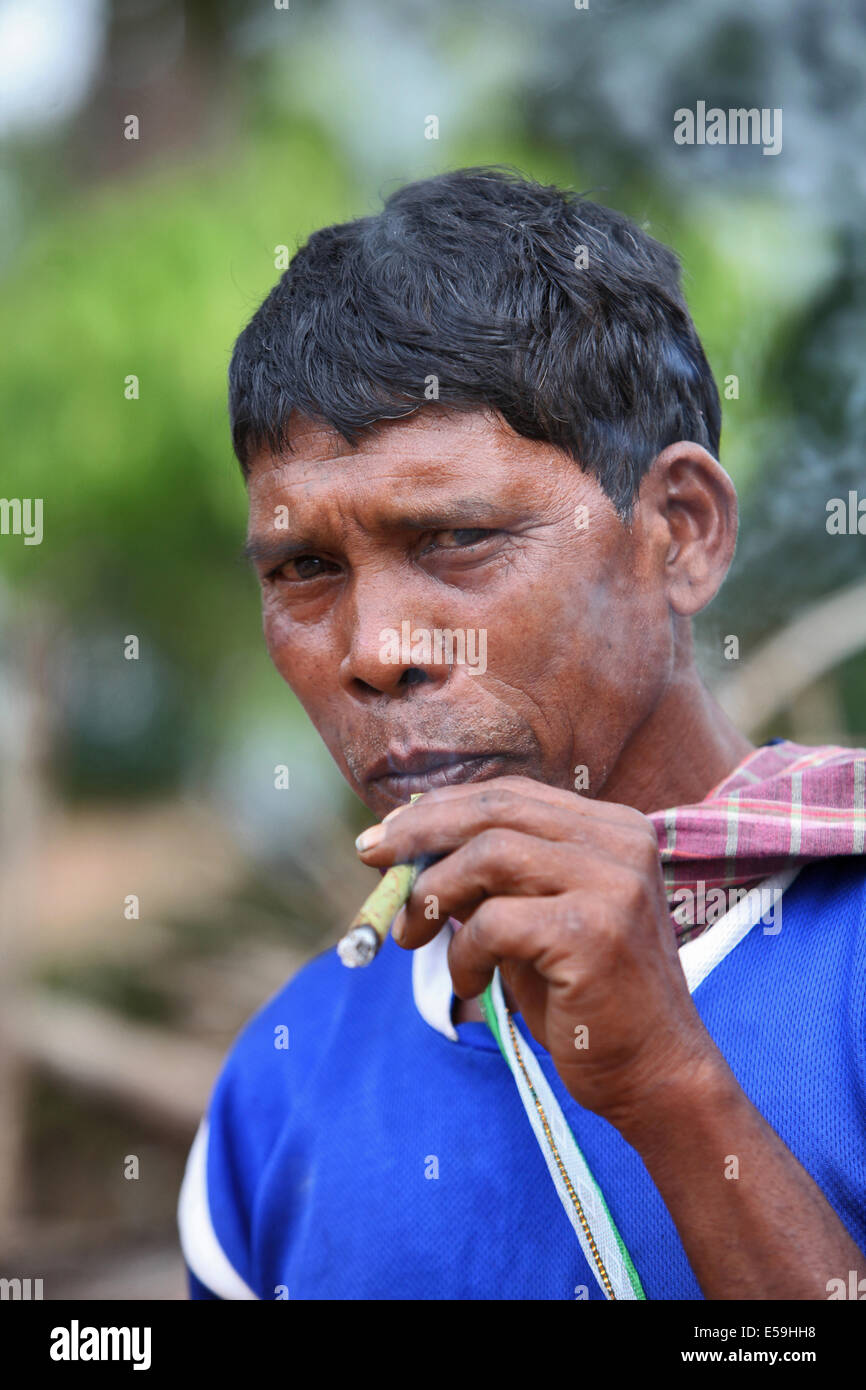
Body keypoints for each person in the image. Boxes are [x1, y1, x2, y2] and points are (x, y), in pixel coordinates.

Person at [178, 167, 866, 1300]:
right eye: (305, 569)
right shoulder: (275, 1094)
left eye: (455, 538)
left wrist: (672, 1089)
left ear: (679, 534)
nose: (376, 649)